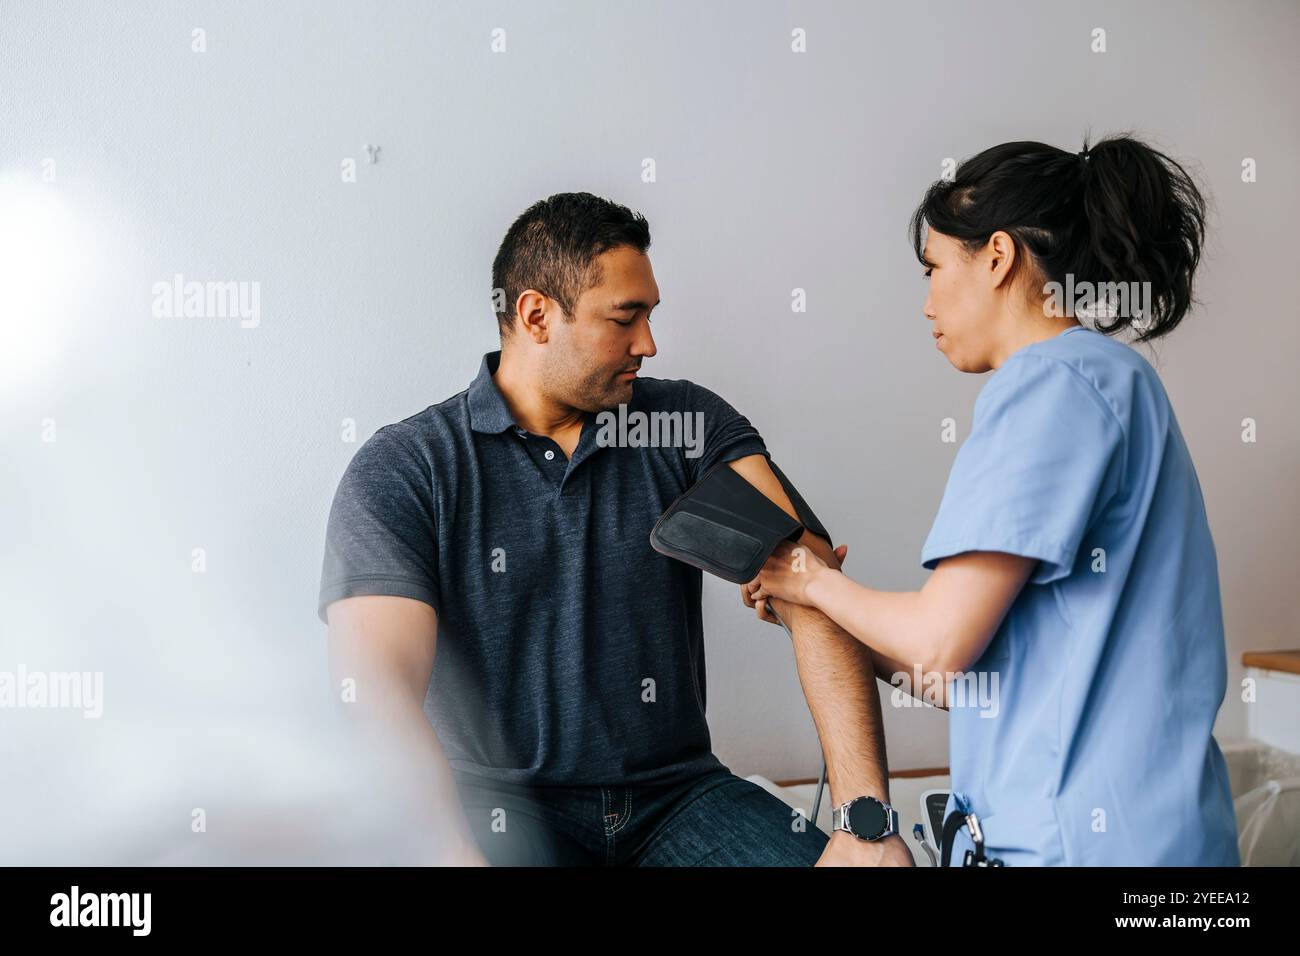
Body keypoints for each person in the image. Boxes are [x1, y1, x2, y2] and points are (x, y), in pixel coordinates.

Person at [319, 192, 912, 866]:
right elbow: (375, 682)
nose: (648, 344)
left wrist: (866, 823)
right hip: (501, 805)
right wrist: (447, 850)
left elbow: (813, 590)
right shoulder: (407, 466)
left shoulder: (686, 426)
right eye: (624, 319)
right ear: (536, 315)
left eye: (650, 316)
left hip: (681, 798)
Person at [747, 136, 1240, 866]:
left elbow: (940, 651)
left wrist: (814, 579)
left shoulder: (1051, 385)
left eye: (934, 269)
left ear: (998, 257)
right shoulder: (1110, 380)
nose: (926, 304)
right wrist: (822, 610)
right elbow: (980, 680)